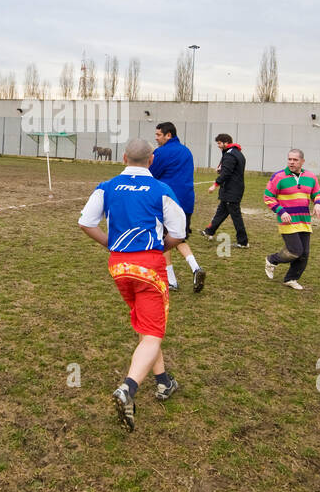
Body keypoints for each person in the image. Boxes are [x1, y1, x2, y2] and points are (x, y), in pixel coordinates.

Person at [78, 138, 186, 432]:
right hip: (149, 268)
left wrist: (111, 245)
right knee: (153, 333)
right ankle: (128, 388)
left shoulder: (107, 186)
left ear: (124, 157)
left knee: (145, 325)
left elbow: (86, 222)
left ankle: (164, 382)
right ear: (152, 160)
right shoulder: (161, 189)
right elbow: (179, 231)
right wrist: (158, 250)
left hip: (119, 266)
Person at [148, 122, 205, 292]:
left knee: (163, 239)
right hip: (187, 201)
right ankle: (195, 268)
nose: (156, 138)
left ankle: (171, 280)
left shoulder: (161, 152)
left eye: (158, 135)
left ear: (168, 135)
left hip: (168, 202)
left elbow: (151, 175)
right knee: (179, 238)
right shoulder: (186, 151)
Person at [263, 149, 320, 289]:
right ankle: (272, 259)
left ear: (302, 161)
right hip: (287, 220)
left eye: (295, 160)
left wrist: (318, 204)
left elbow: (318, 194)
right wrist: (281, 211)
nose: (291, 162)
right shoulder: (278, 177)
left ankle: (290, 279)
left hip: (304, 220)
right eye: (289, 159)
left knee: (304, 254)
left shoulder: (311, 177)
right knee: (295, 251)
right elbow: (268, 196)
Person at [202, 133, 248, 247]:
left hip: (231, 190)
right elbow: (232, 170)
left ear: (226, 142)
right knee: (221, 211)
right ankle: (209, 231)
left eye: (219, 143)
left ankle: (243, 242)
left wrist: (215, 184)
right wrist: (221, 170)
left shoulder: (230, 155)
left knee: (236, 216)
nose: (218, 145)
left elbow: (227, 173)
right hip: (233, 189)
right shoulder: (237, 153)